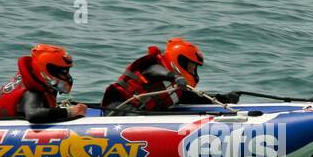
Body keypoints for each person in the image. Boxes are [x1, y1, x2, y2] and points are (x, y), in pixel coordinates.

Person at [100, 37, 240, 113]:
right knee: (146, 118)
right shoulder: (154, 65)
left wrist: (224, 98)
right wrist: (175, 76)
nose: (193, 71)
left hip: (138, 112)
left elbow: (195, 98)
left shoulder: (175, 88)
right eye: (191, 66)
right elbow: (152, 71)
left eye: (194, 67)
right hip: (116, 108)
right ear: (180, 60)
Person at [0, 44, 87, 123]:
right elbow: (33, 114)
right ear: (47, 70)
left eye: (67, 71)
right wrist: (69, 112)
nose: (67, 76)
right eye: (63, 72)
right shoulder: (32, 92)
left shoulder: (33, 79)